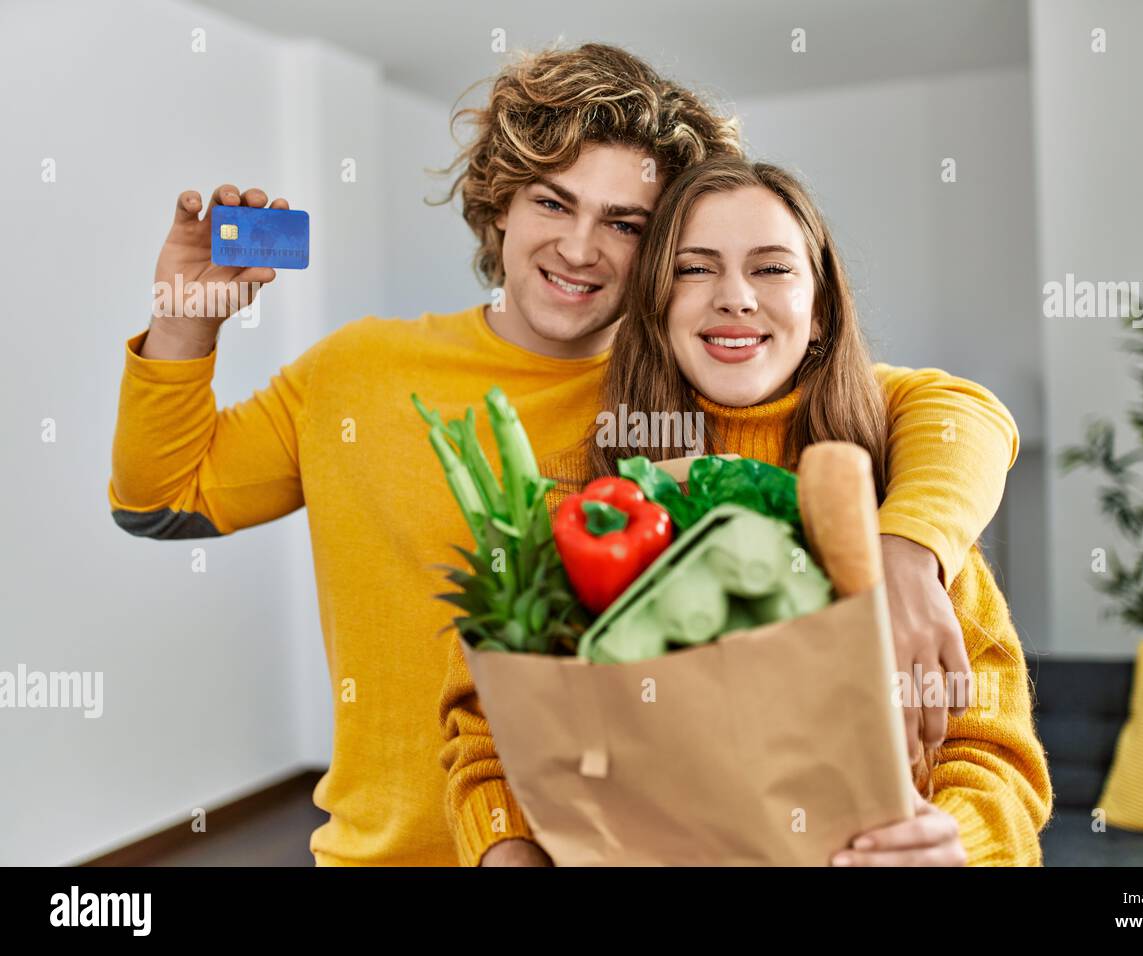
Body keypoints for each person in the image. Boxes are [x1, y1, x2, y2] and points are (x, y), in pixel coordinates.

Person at [113, 43, 1020, 866]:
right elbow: (161, 500)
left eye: (626, 223)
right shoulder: (357, 373)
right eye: (553, 201)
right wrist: (183, 324)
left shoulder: (696, 397)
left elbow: (948, 410)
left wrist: (911, 554)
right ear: (499, 203)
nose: (581, 248)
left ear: (661, 252)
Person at [442, 158, 1052, 866]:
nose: (734, 297)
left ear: (820, 307)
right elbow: (485, 737)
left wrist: (955, 847)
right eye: (695, 269)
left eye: (771, 269)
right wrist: (507, 850)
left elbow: (994, 758)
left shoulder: (906, 512)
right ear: (656, 304)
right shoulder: (587, 511)